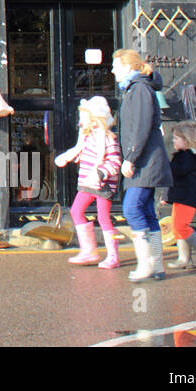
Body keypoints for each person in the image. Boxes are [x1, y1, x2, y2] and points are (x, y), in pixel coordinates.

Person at [113, 48, 173, 282]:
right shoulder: (137, 88)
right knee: (147, 212)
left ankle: (146, 265)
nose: (112, 70)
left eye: (115, 65)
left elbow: (140, 127)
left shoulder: (139, 90)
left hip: (144, 162)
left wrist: (130, 158)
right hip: (146, 160)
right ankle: (156, 265)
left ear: (128, 67)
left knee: (131, 209)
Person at [54, 96, 122, 268]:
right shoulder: (87, 138)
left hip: (102, 184)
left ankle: (113, 255)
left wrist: (100, 173)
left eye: (84, 117)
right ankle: (89, 250)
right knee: (76, 211)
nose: (80, 121)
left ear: (94, 119)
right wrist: (70, 157)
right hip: (87, 183)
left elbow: (115, 162)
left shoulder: (108, 138)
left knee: (103, 217)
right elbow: (83, 155)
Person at [164, 121, 196, 270]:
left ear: (187, 140)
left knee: (180, 226)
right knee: (177, 227)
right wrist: (167, 196)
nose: (173, 141)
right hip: (180, 196)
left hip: (188, 197)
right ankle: (183, 258)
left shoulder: (194, 155)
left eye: (176, 138)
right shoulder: (180, 155)